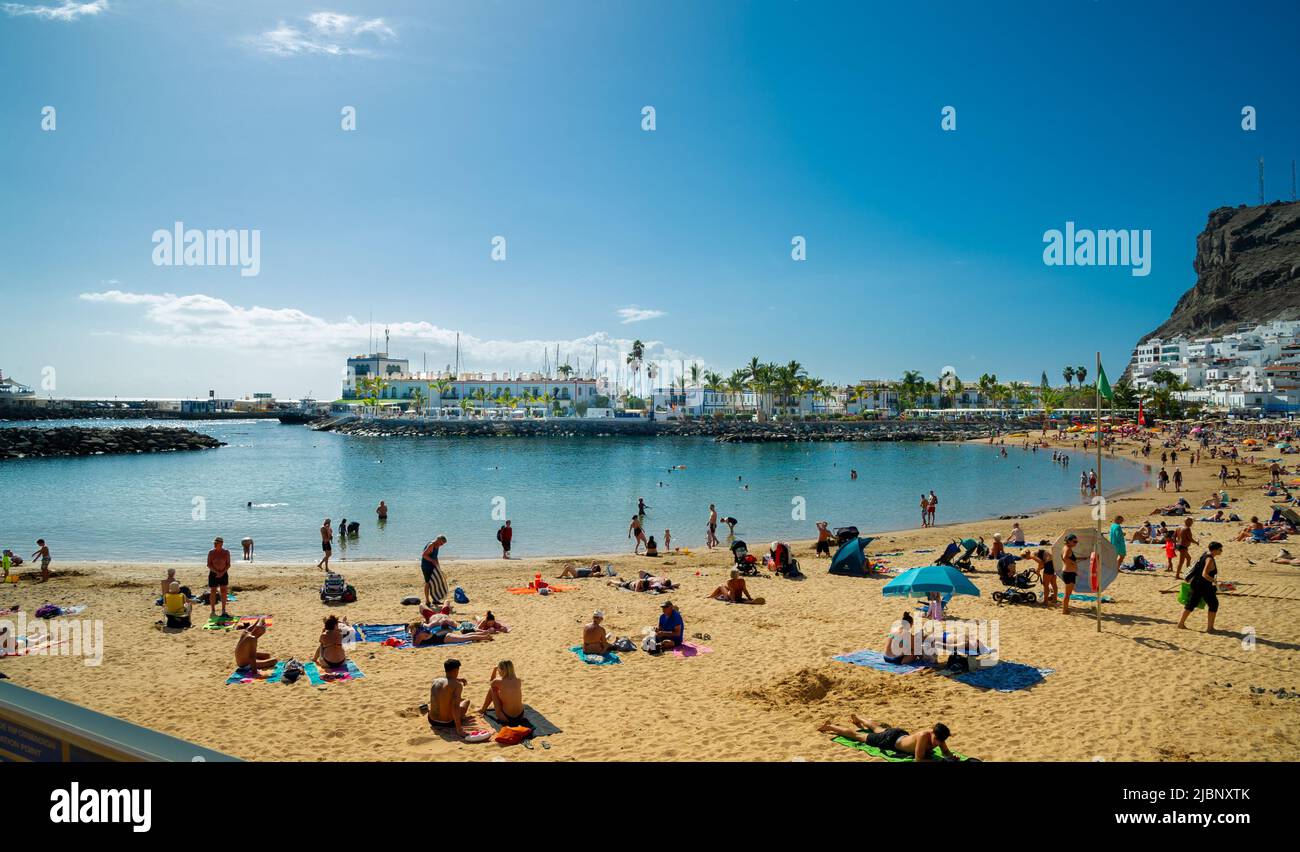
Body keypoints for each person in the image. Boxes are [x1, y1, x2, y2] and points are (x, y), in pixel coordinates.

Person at [817, 715, 954, 761]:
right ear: (933, 735)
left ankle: (858, 717)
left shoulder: (939, 736)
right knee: (858, 736)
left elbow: (946, 753)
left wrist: (951, 758)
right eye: (939, 741)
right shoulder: (924, 736)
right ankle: (830, 726)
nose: (939, 744)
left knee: (877, 729)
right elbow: (918, 760)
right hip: (890, 741)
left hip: (899, 734)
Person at [1177, 542, 1223, 633]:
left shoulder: (1205, 555)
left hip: (1197, 584)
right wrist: (1215, 581)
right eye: (1220, 549)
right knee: (1214, 604)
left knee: (1191, 604)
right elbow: (1204, 574)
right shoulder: (1209, 559)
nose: (1221, 551)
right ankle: (1210, 628)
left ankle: (1180, 624)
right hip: (1203, 586)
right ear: (1214, 550)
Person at [428, 658, 473, 737]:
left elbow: (446, 680)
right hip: (448, 722)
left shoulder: (435, 680)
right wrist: (459, 729)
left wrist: (458, 679)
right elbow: (455, 706)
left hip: (432, 720)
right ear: (456, 670)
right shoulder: (457, 685)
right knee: (466, 701)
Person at [478, 660, 530, 729]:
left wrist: (494, 670)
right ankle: (484, 709)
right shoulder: (518, 680)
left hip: (506, 717)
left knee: (492, 690)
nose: (498, 672)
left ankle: (483, 710)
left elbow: (491, 682)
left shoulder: (498, 682)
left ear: (502, 670)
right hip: (521, 715)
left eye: (499, 670)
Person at [410, 619, 494, 646]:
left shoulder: (419, 635)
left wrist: (412, 636)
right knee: (466, 636)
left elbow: (415, 644)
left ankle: (485, 637)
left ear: (415, 629)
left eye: (411, 630)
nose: (410, 632)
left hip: (444, 639)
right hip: (444, 635)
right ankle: (483, 634)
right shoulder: (422, 630)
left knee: (467, 637)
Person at [207, 537, 231, 618]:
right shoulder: (211, 552)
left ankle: (223, 610)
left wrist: (222, 572)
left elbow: (228, 564)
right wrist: (217, 572)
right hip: (213, 573)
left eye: (216, 543)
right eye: (214, 543)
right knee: (213, 591)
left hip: (223, 573)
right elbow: (209, 565)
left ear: (221, 544)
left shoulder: (226, 552)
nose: (214, 544)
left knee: (223, 591)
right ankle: (213, 610)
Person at [420, 536, 448, 606]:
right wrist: (432, 560)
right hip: (426, 566)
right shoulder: (431, 545)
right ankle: (427, 601)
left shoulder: (437, 546)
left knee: (436, 582)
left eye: (442, 544)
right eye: (441, 543)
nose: (441, 545)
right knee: (428, 583)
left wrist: (438, 566)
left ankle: (435, 599)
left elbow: (435, 557)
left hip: (433, 566)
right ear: (438, 540)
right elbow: (424, 555)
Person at [1060, 534, 1079, 615]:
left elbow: (1067, 558)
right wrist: (1073, 563)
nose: (1076, 543)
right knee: (1067, 594)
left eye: (1076, 542)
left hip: (1068, 572)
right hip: (1069, 573)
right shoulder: (1068, 549)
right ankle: (1065, 610)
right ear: (1069, 541)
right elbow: (1065, 558)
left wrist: (1082, 558)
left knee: (1068, 593)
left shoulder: (1065, 548)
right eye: (1074, 541)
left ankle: (1065, 609)